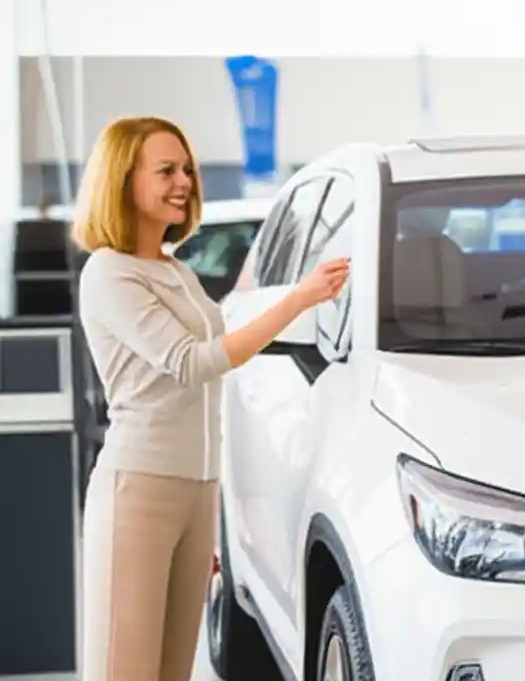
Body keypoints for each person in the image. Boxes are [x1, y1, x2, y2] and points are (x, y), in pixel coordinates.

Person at [70, 116, 349, 680]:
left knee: (175, 673)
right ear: (123, 180)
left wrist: (201, 519)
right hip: (139, 493)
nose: (184, 182)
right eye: (166, 170)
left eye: (188, 170)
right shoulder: (110, 273)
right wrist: (299, 298)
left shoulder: (174, 272)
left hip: (193, 494)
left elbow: (226, 328)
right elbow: (195, 362)